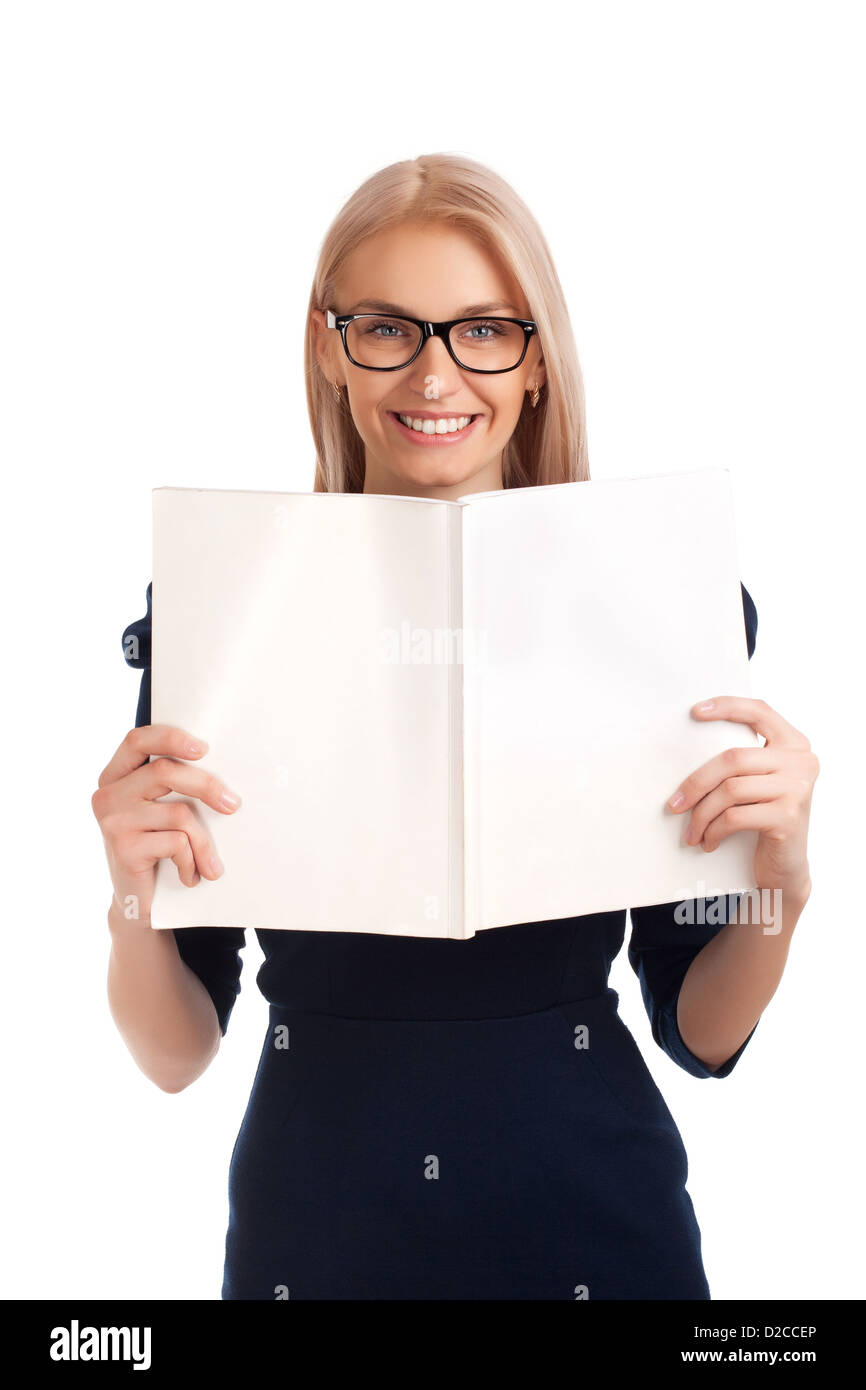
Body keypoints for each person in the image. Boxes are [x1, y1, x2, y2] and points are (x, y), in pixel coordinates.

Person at [93, 153, 819, 1300]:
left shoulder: (654, 610)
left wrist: (781, 876)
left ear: (535, 364)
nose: (434, 372)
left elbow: (699, 1030)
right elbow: (178, 1054)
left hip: (599, 1232)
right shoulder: (222, 618)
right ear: (329, 349)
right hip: (316, 1237)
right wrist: (130, 888)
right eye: (387, 326)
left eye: (482, 330)